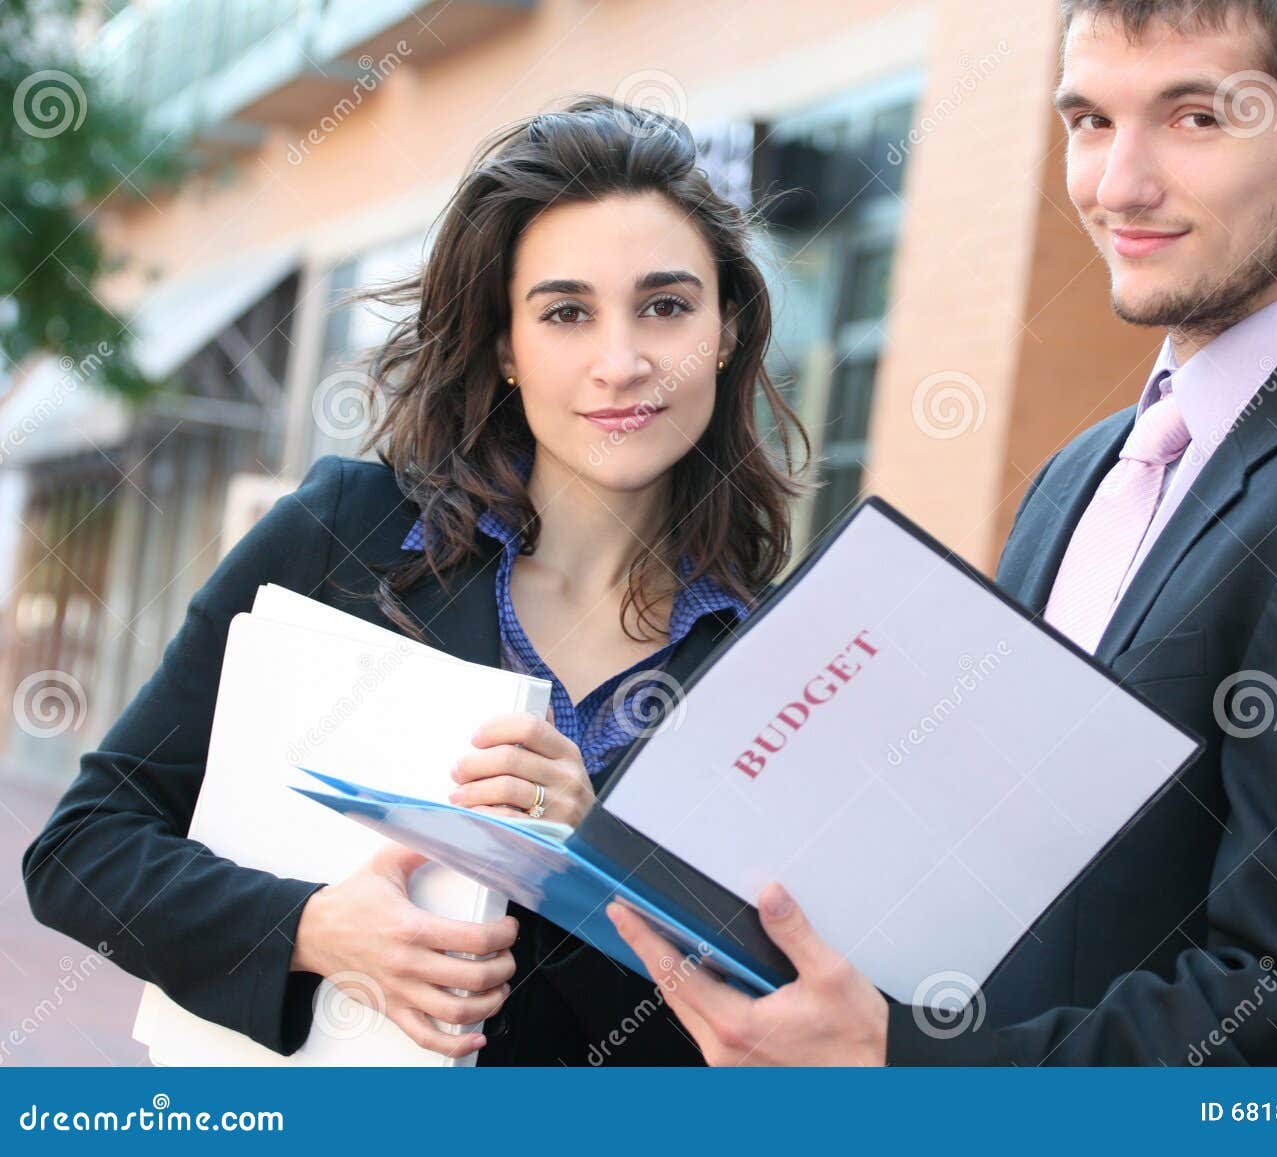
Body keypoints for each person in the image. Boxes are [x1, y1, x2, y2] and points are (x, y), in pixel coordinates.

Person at [607, 0, 1277, 1065]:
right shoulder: (1079, 472)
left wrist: (900, 1067)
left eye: (1194, 117)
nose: (1118, 184)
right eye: (1090, 121)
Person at [23, 95, 807, 1065]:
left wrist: (593, 856)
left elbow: (762, 1031)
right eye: (565, 312)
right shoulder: (344, 533)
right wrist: (313, 928)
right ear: (502, 347)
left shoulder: (775, 661)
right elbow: (81, 851)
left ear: (725, 331)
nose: (622, 360)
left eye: (666, 305)